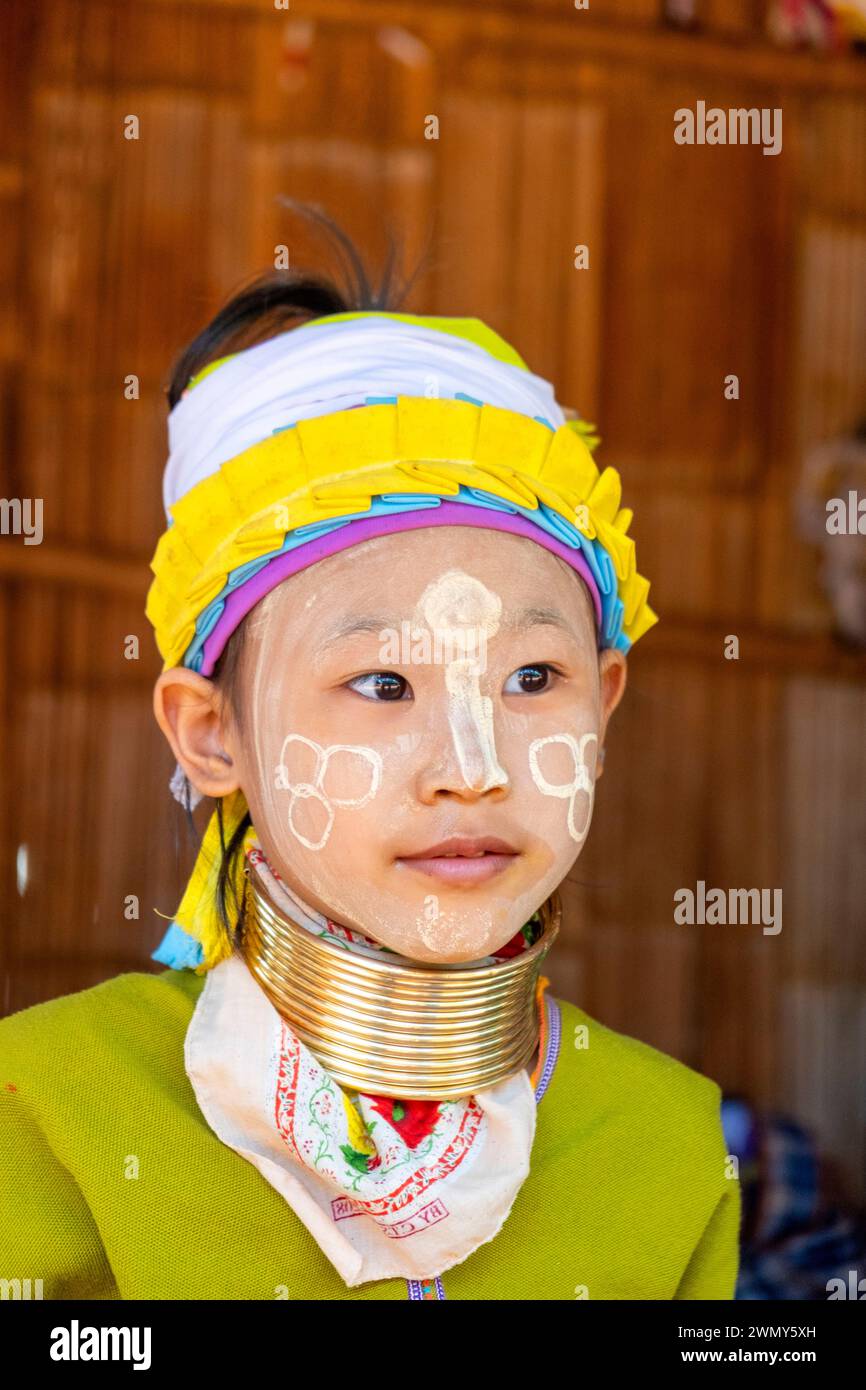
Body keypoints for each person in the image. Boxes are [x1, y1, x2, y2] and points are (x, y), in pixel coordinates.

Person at [0, 223, 740, 1301]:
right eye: (384, 685)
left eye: (532, 678)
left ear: (605, 698)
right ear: (212, 733)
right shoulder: (52, 1107)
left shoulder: (668, 1146)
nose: (471, 769)